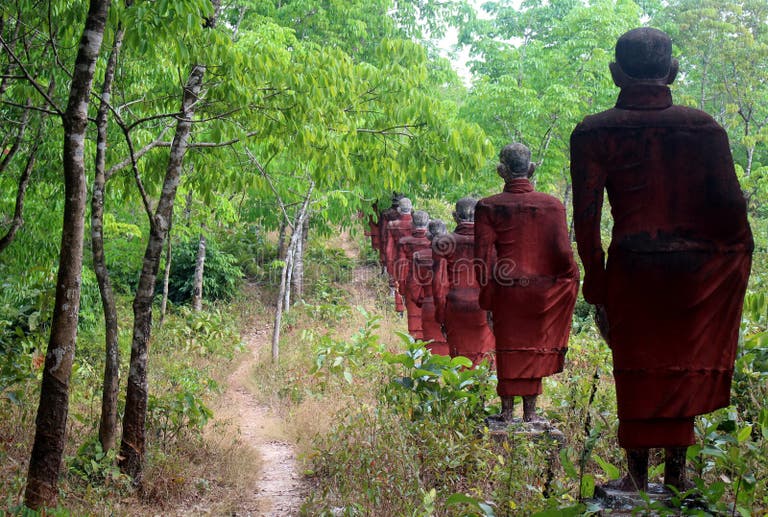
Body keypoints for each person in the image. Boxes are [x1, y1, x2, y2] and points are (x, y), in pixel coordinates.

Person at [570, 27, 753, 492]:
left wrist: (598, 285)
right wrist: (724, 269)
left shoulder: (594, 131)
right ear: (672, 71)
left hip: (635, 266)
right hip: (697, 271)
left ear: (615, 74)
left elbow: (587, 222)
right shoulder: (704, 128)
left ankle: (635, 476)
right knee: (681, 362)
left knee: (636, 366)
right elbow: (731, 210)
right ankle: (675, 476)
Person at [475, 143, 579, 423]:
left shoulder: (488, 206)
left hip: (508, 291)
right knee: (533, 346)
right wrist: (568, 282)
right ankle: (531, 413)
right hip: (542, 292)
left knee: (508, 347)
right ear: (531, 169)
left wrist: (487, 300)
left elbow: (483, 260)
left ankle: (508, 412)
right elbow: (563, 254)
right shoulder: (552, 205)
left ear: (501, 171)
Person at [433, 197, 495, 366]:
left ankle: (462, 390)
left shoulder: (444, 243)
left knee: (459, 359)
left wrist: (441, 316)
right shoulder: (491, 242)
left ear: (455, 216)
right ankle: (481, 391)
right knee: (485, 358)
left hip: (455, 307)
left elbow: (439, 286)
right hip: (485, 308)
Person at [414, 219, 450, 355]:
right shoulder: (453, 255)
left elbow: (414, 286)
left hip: (428, 304)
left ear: (428, 234)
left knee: (431, 350)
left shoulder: (419, 256)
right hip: (450, 306)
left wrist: (421, 301)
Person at [396, 210, 431, 339]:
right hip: (431, 285)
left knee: (414, 323)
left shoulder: (404, 242)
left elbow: (402, 267)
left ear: (412, 224)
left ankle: (415, 354)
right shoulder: (435, 241)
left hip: (412, 283)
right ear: (427, 224)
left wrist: (402, 290)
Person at [384, 197, 413, 314]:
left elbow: (389, 248)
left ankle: (400, 310)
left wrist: (389, 264)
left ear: (399, 210)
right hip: (415, 260)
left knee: (398, 283)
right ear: (411, 208)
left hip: (398, 259)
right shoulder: (417, 224)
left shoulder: (392, 225)